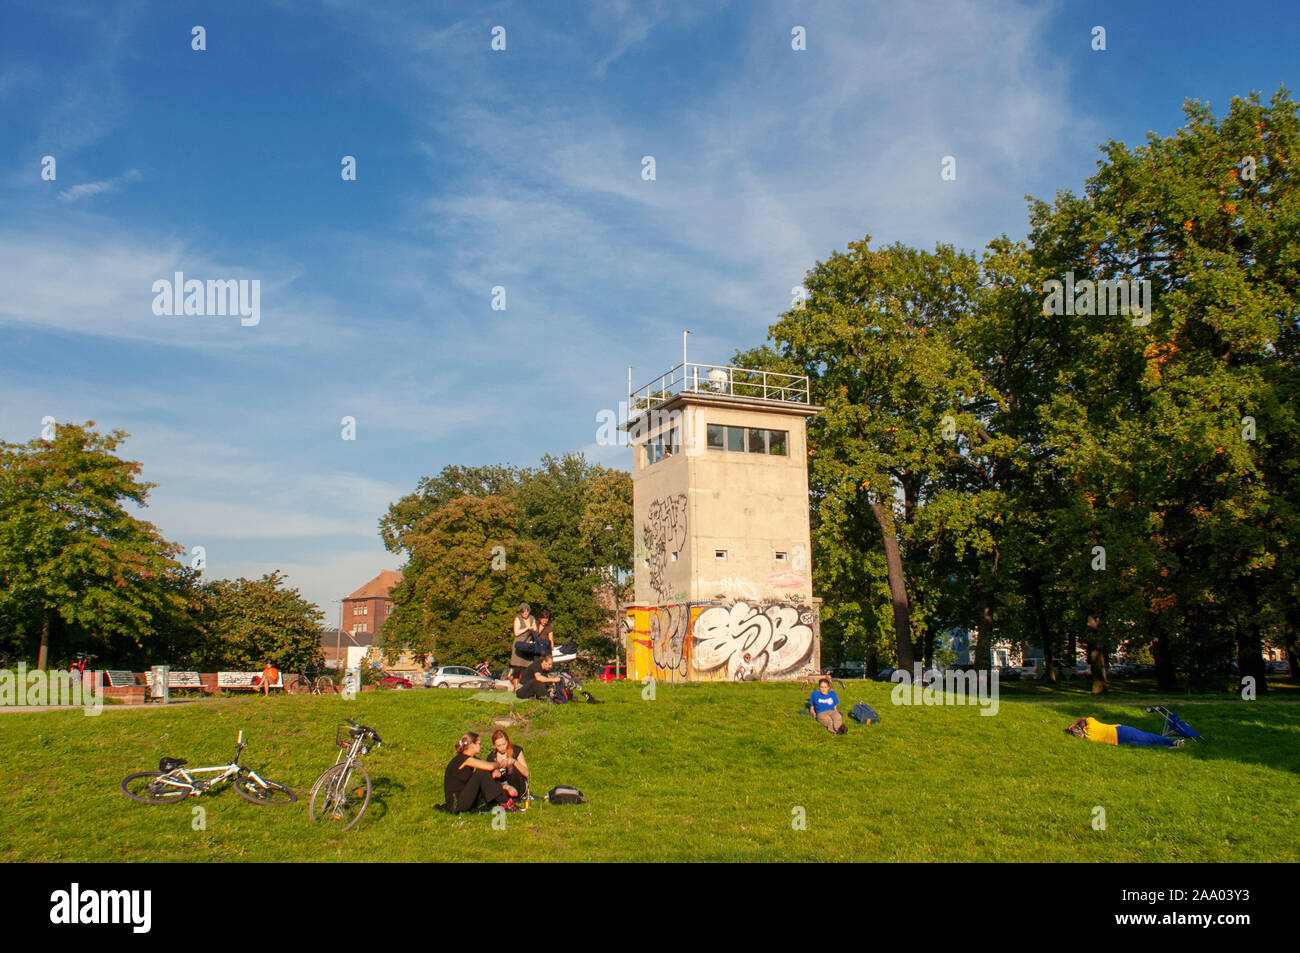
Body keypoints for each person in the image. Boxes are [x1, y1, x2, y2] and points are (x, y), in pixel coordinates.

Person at [441, 732, 517, 814]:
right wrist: (500, 764)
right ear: (472, 745)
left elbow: (487, 766)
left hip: (465, 797)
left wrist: (496, 773)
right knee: (481, 772)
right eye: (479, 744)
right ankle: (504, 803)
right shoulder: (463, 759)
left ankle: (502, 800)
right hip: (456, 804)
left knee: (485, 772)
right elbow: (490, 766)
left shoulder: (472, 758)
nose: (481, 746)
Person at [1064, 717, 1184, 748]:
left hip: (1120, 738)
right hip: (1121, 731)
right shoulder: (1091, 722)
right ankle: (1171, 743)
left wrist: (1071, 729)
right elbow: (1084, 718)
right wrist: (1072, 725)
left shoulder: (1088, 738)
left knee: (1146, 741)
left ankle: (1172, 743)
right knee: (1147, 739)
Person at [489, 729, 529, 801]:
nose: (502, 748)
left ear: (507, 741)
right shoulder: (491, 757)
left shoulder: (516, 750)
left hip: (518, 784)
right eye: (499, 746)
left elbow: (526, 773)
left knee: (511, 768)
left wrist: (514, 762)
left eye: (504, 744)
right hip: (503, 787)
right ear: (494, 745)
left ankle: (518, 796)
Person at [510, 603, 538, 687]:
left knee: (528, 667)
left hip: (528, 646)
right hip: (519, 645)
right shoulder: (518, 619)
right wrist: (527, 628)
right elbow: (516, 632)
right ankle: (515, 687)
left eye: (526, 612)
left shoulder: (532, 618)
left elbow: (535, 630)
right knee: (517, 667)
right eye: (522, 612)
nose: (524, 614)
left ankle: (525, 686)